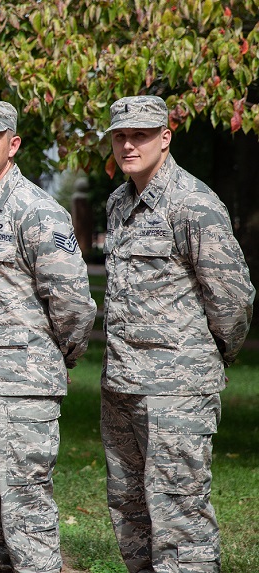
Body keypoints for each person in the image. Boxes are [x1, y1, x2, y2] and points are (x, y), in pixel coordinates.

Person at [101, 95, 254, 573]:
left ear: (164, 139)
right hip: (122, 385)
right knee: (130, 513)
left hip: (178, 389)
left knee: (179, 518)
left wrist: (210, 355)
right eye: (121, 136)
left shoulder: (194, 203)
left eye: (141, 135)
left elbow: (233, 297)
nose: (129, 145)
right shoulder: (119, 202)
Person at [0, 101, 97, 573]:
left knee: (26, 511)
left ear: (12, 145)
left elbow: (73, 303)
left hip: (24, 387)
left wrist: (55, 360)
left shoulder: (37, 211)